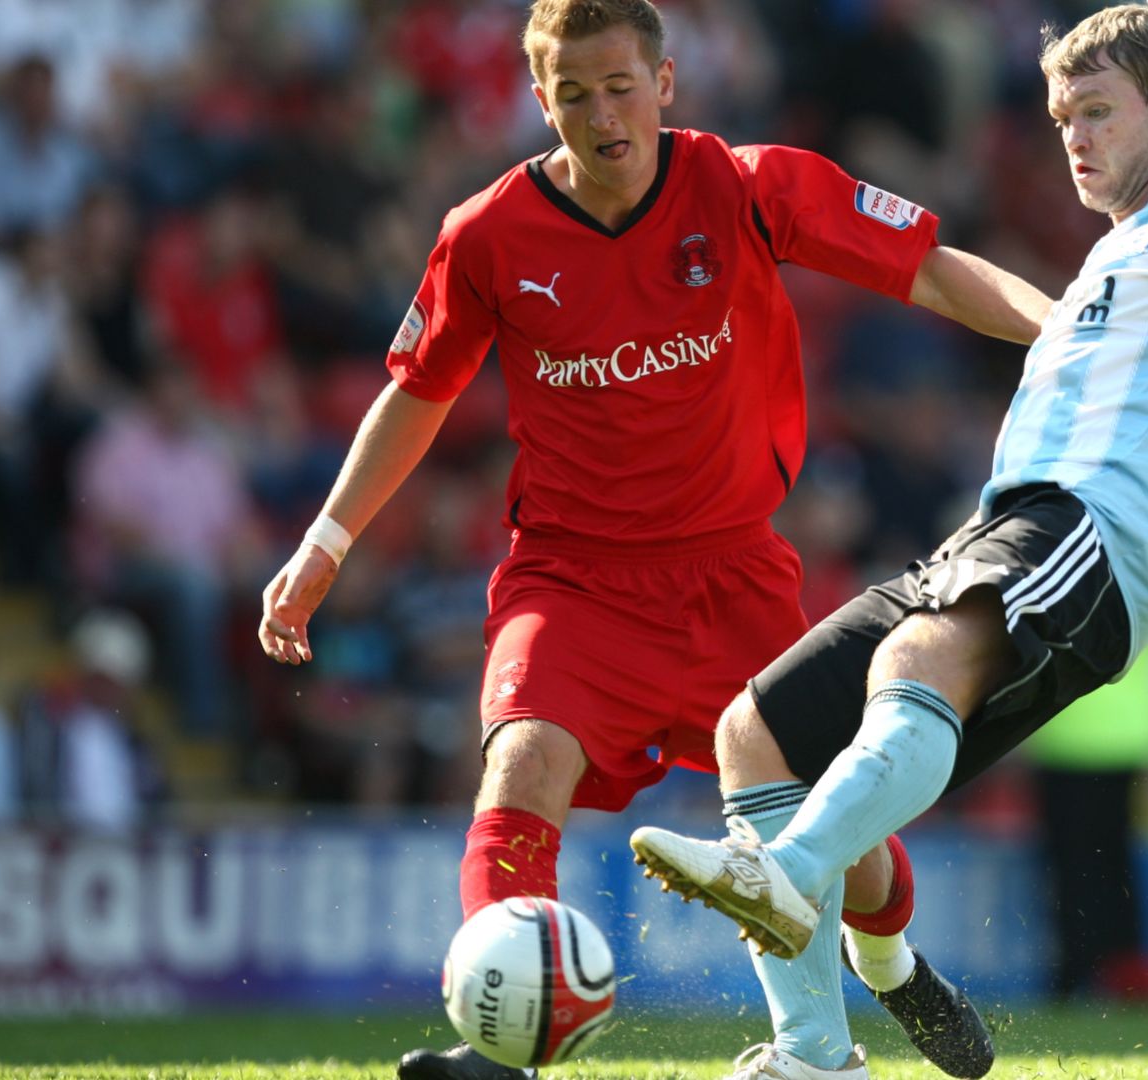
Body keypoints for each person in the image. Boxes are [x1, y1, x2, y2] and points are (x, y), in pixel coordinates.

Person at [254, 3, 1051, 1078]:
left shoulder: (747, 186)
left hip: (733, 572)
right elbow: (417, 390)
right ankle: (504, 1046)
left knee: (845, 853)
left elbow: (932, 268)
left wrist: (1066, 330)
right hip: (570, 579)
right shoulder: (487, 235)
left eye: (620, 86)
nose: (600, 113)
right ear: (540, 101)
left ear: (665, 83)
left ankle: (891, 962)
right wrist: (326, 541)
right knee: (521, 762)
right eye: (572, 93)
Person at [629, 6, 1148, 1079]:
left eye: (1099, 111)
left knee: (917, 660)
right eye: (1063, 115)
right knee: (756, 733)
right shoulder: (1111, 261)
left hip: (1100, 532)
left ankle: (781, 873)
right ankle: (814, 1053)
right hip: (1005, 528)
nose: (1074, 135)